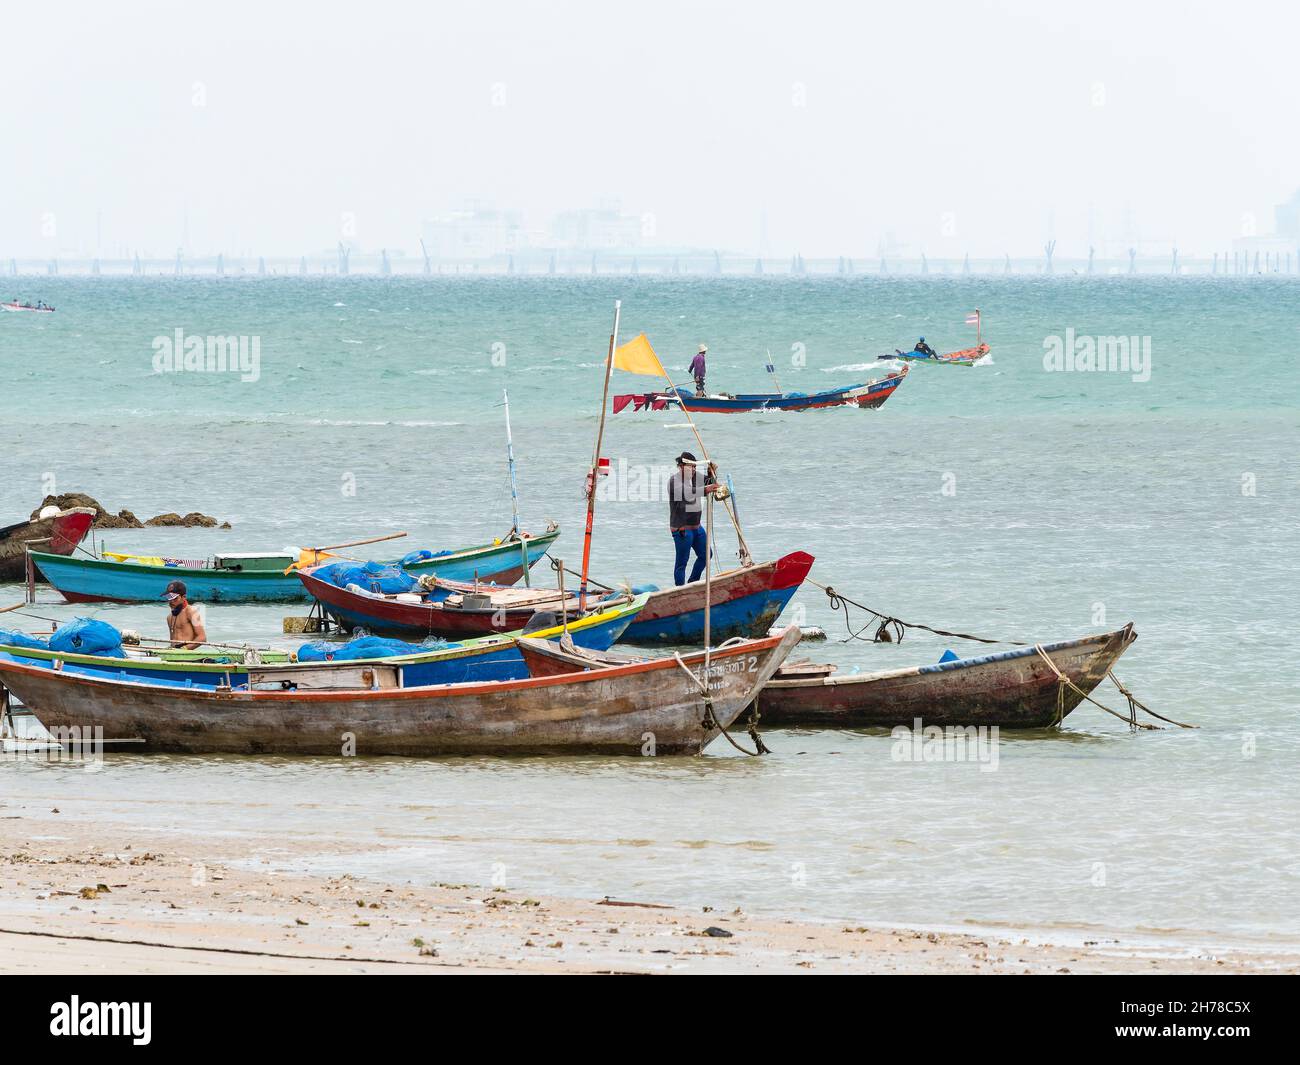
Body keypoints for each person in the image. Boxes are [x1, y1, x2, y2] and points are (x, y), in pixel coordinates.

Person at [668, 451, 721, 585]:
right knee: (682, 562)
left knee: (706, 555)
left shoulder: (696, 477)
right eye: (690, 466)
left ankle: (693, 582)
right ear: (681, 466)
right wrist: (706, 489)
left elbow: (710, 483)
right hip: (682, 530)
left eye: (694, 467)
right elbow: (687, 494)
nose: (693, 469)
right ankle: (680, 590)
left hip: (697, 528)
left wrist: (711, 472)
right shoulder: (675, 481)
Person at [162, 579, 208, 650]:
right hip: (174, 652)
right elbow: (172, 641)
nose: (171, 601)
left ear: (184, 597)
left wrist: (184, 649)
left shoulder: (192, 612)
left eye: (175, 598)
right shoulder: (169, 617)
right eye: (169, 597)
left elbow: (202, 638)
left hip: (187, 653)